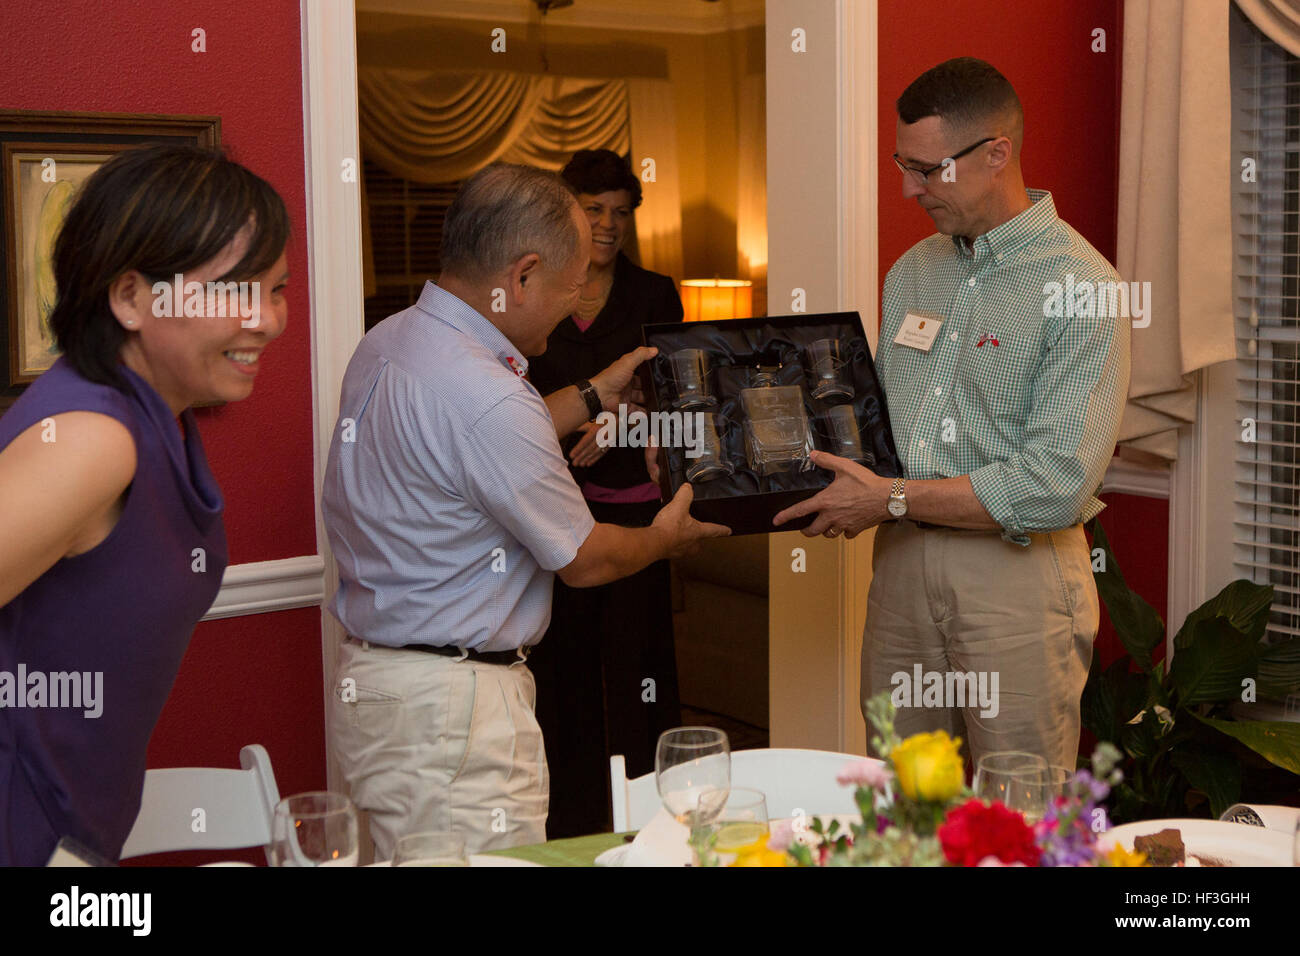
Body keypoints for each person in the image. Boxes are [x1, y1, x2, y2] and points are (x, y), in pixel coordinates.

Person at [322, 162, 728, 859]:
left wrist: (597, 390)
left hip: (384, 687)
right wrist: (666, 538)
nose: (574, 310)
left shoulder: (392, 342)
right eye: (569, 291)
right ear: (524, 274)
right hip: (456, 710)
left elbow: (479, 443)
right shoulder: (487, 395)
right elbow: (585, 559)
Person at [773, 58, 1130, 772]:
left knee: (1017, 804)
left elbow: (1054, 481)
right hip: (902, 565)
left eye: (928, 169)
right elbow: (880, 430)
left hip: (1017, 574)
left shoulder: (1085, 287)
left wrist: (891, 498)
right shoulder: (911, 272)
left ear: (996, 153)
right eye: (903, 165)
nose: (908, 188)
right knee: (903, 797)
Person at [0, 144, 291, 865]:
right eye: (233, 290)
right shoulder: (96, 439)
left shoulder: (155, 418)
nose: (268, 320)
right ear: (130, 298)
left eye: (276, 289)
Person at [525, 149, 684, 837]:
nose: (609, 224)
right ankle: (574, 823)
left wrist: (625, 423)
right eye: (595, 210)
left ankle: (650, 823)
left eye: (621, 212)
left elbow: (679, 398)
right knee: (562, 673)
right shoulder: (540, 295)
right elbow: (513, 400)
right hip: (550, 518)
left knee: (638, 669)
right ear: (567, 213)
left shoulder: (655, 294)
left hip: (637, 515)